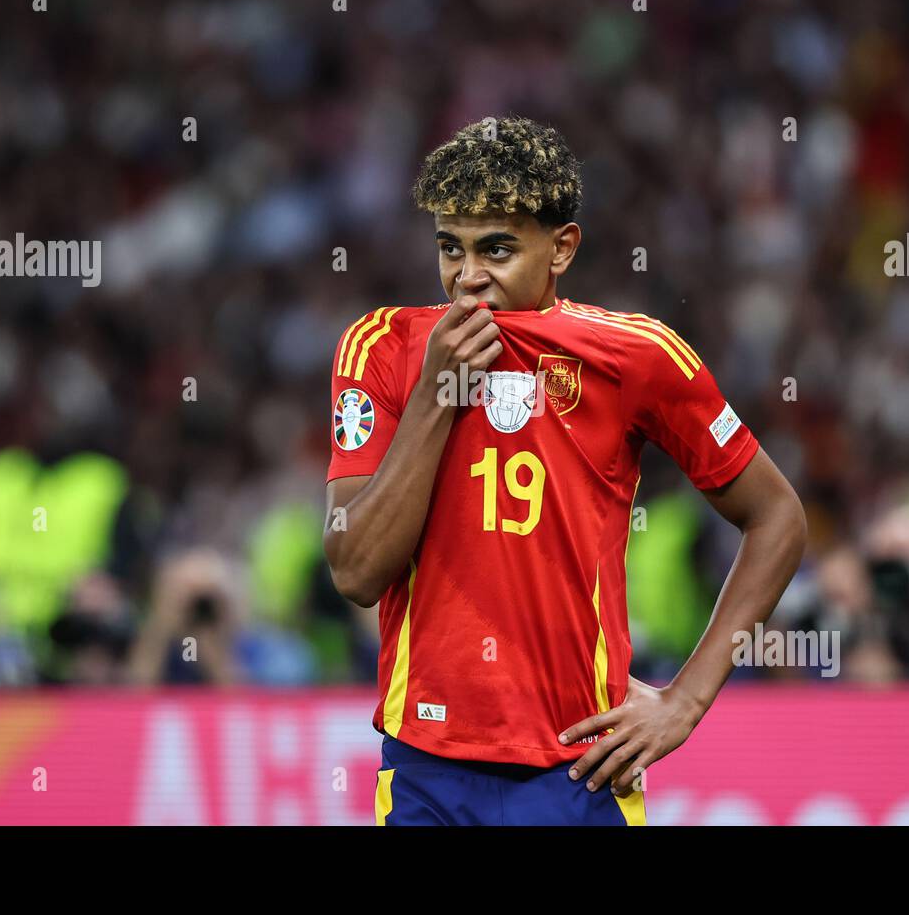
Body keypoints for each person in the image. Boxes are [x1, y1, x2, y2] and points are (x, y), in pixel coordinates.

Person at [322, 117, 806, 825]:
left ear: (562, 248)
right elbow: (356, 571)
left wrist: (686, 701)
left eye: (497, 249)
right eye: (449, 249)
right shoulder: (384, 348)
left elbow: (778, 517)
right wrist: (436, 394)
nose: (468, 277)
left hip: (578, 772)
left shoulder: (636, 356)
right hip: (427, 767)